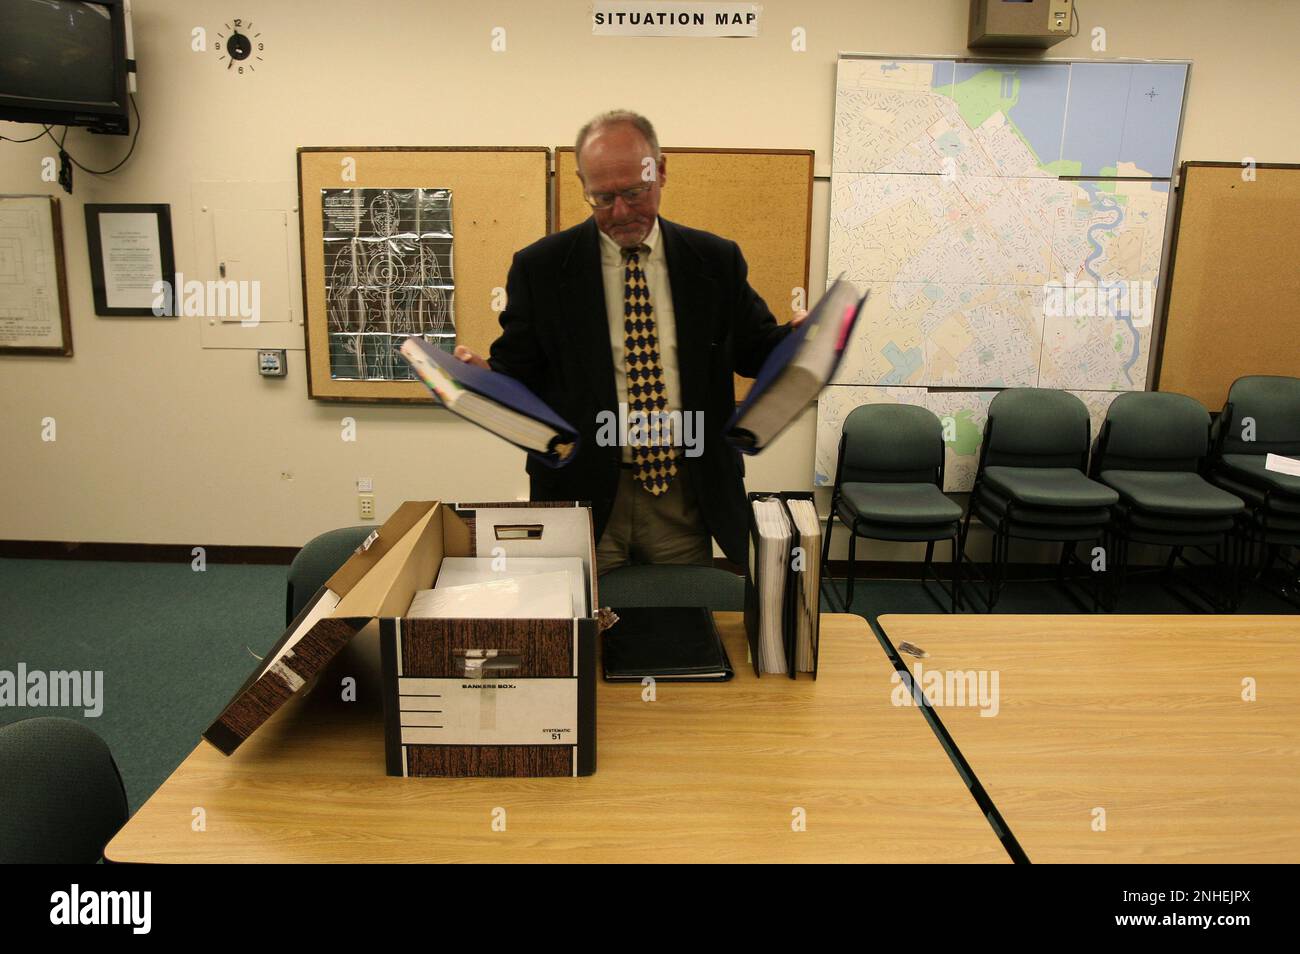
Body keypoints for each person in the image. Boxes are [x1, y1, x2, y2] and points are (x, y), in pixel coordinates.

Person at [455, 109, 801, 573]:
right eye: (601, 198)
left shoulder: (715, 261)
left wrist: (798, 340)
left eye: (635, 193)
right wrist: (484, 382)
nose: (620, 212)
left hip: (683, 492)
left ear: (660, 170)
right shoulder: (541, 268)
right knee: (586, 635)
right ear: (582, 183)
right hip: (582, 497)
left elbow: (754, 350)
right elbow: (520, 372)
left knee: (678, 631)